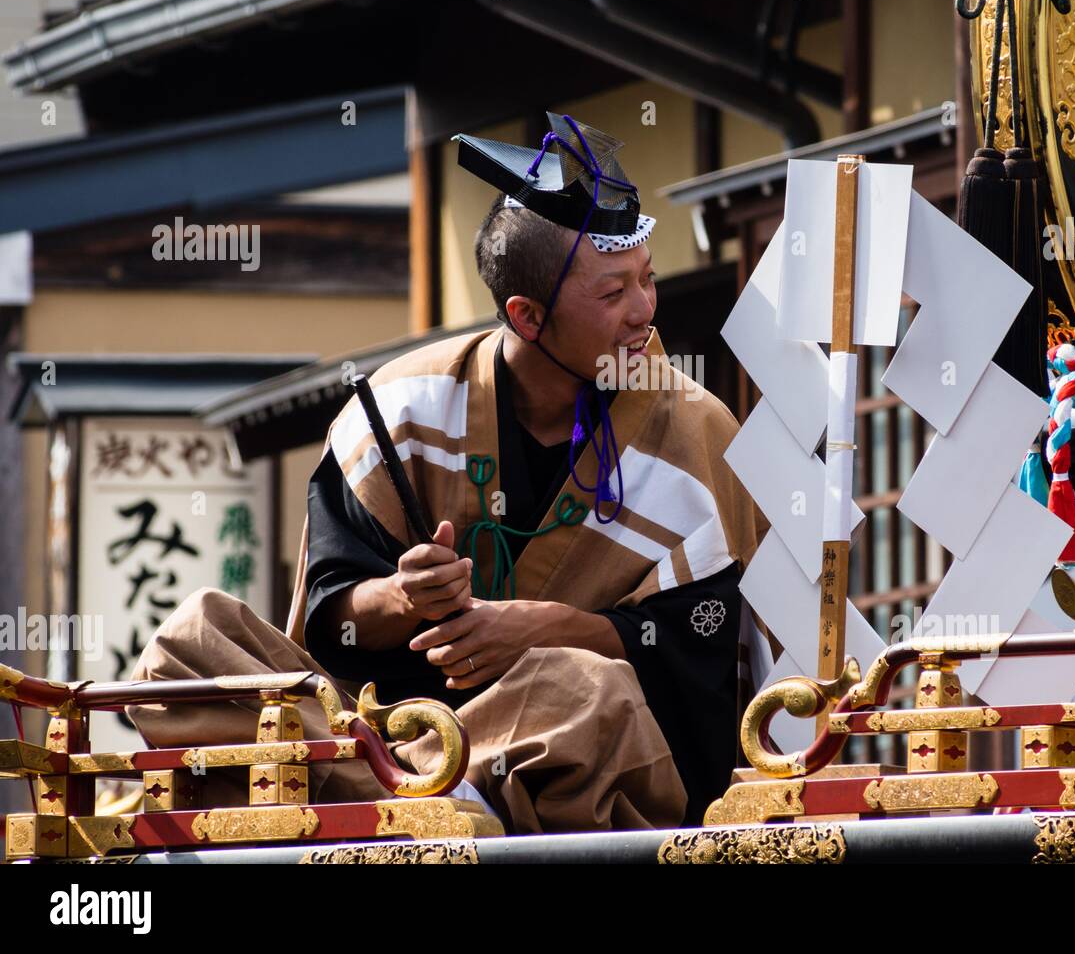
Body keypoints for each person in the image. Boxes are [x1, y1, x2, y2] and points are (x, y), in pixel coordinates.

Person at [128, 113, 766, 833]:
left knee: (586, 688)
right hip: (389, 734)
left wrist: (548, 629)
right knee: (190, 636)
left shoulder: (694, 428)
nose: (644, 312)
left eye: (646, 280)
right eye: (614, 293)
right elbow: (326, 625)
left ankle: (418, 801)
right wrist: (403, 597)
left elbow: (707, 648)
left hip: (555, 741)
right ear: (526, 316)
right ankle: (432, 802)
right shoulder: (405, 408)